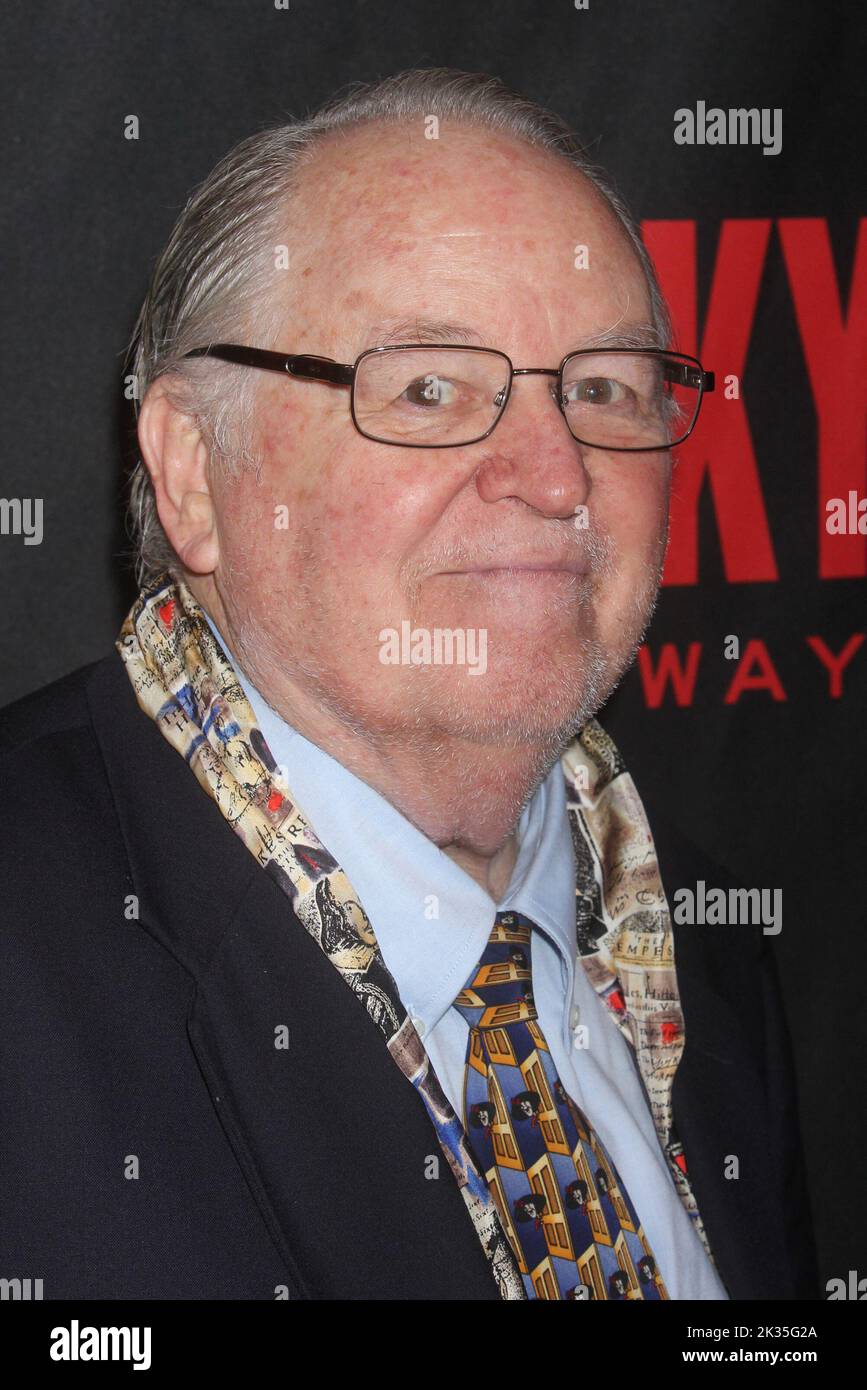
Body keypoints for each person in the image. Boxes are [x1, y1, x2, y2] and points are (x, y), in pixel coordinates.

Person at [0, 67, 818, 1301]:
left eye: (603, 387)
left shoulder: (704, 949)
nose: (555, 475)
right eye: (429, 387)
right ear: (194, 472)